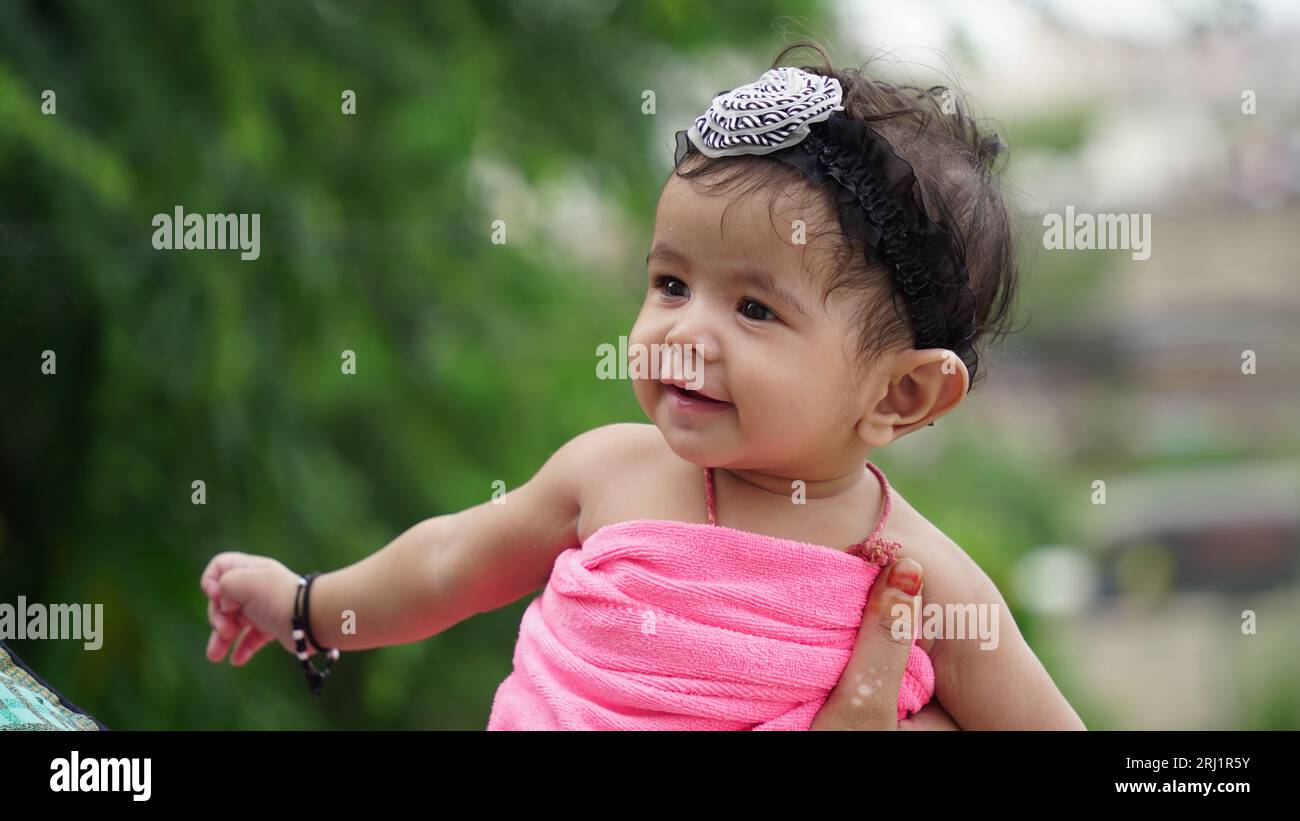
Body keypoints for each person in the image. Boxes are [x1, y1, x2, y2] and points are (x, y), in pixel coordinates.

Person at [201, 43, 1085, 730]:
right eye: (669, 284)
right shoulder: (611, 472)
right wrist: (306, 604)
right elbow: (445, 565)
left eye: (754, 308)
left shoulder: (920, 580)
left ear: (901, 395)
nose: (682, 333)